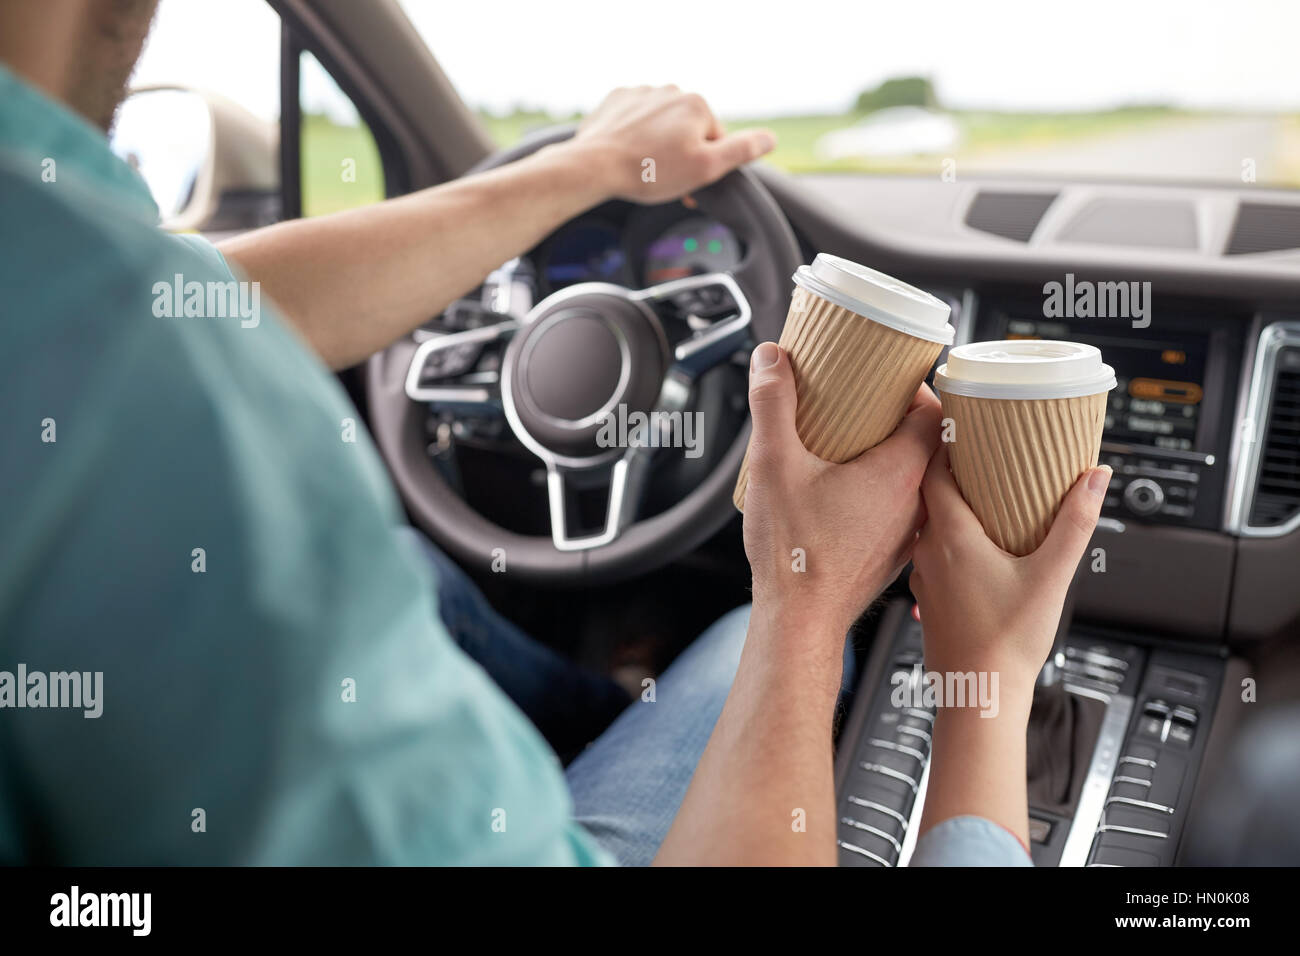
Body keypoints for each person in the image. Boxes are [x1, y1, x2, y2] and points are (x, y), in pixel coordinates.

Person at [0, 0, 1101, 866]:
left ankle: (611, 701)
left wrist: (583, 169)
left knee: (408, 570)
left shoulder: (70, 294)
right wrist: (877, 626)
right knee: (734, 653)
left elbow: (204, 293)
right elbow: (157, 321)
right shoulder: (138, 383)